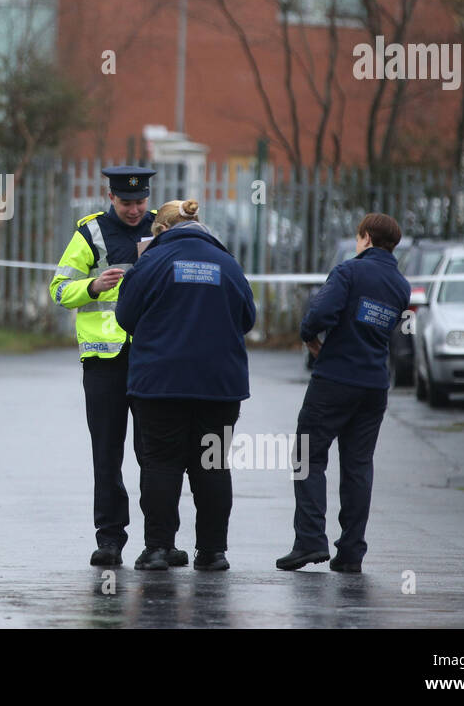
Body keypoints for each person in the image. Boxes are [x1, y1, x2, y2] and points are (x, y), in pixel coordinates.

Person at [50, 166, 184, 568]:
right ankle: (109, 539)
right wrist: (91, 286)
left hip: (149, 359)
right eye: (126, 202)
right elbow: (59, 289)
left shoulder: (163, 229)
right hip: (104, 363)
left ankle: (160, 542)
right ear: (110, 197)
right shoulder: (89, 234)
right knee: (107, 454)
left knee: (154, 455)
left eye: (140, 201)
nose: (133, 209)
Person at [115, 199, 257, 572]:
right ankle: (212, 553)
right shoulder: (227, 263)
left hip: (161, 384)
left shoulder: (152, 262)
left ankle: (159, 549)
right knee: (212, 465)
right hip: (219, 385)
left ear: (160, 231)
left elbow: (125, 316)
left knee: (161, 463)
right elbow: (247, 317)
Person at [277, 213, 411, 574]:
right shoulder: (400, 285)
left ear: (365, 237)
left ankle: (309, 540)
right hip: (374, 386)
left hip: (335, 379)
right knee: (357, 467)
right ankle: (351, 551)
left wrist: (309, 336)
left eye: (357, 237)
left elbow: (320, 312)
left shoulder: (349, 272)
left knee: (307, 455)